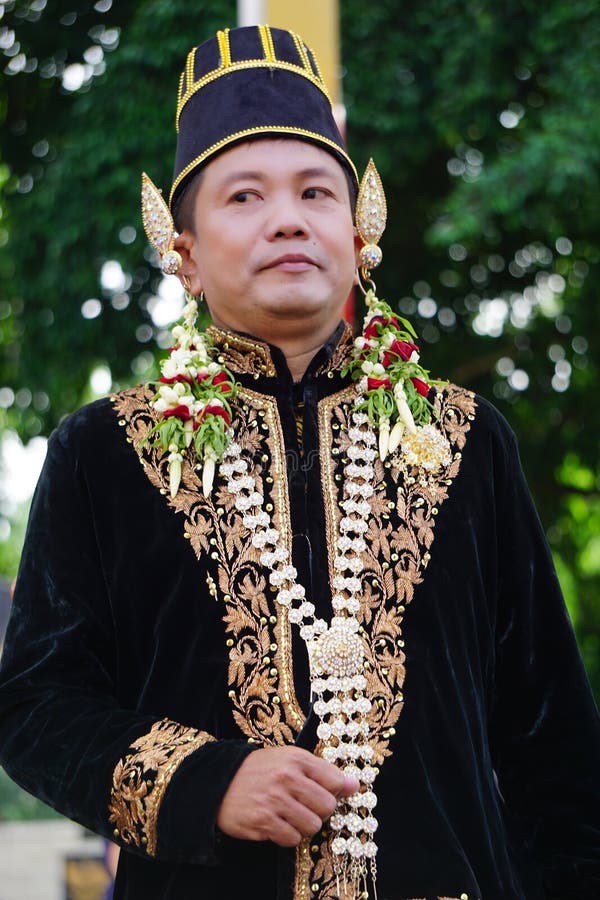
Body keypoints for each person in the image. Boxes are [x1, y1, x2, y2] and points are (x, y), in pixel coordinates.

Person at [0, 24, 599, 900]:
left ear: (360, 232)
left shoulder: (467, 440)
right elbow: (35, 708)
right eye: (244, 196)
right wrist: (205, 783)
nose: (288, 218)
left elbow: (557, 749)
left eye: (317, 192)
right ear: (183, 252)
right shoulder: (106, 452)